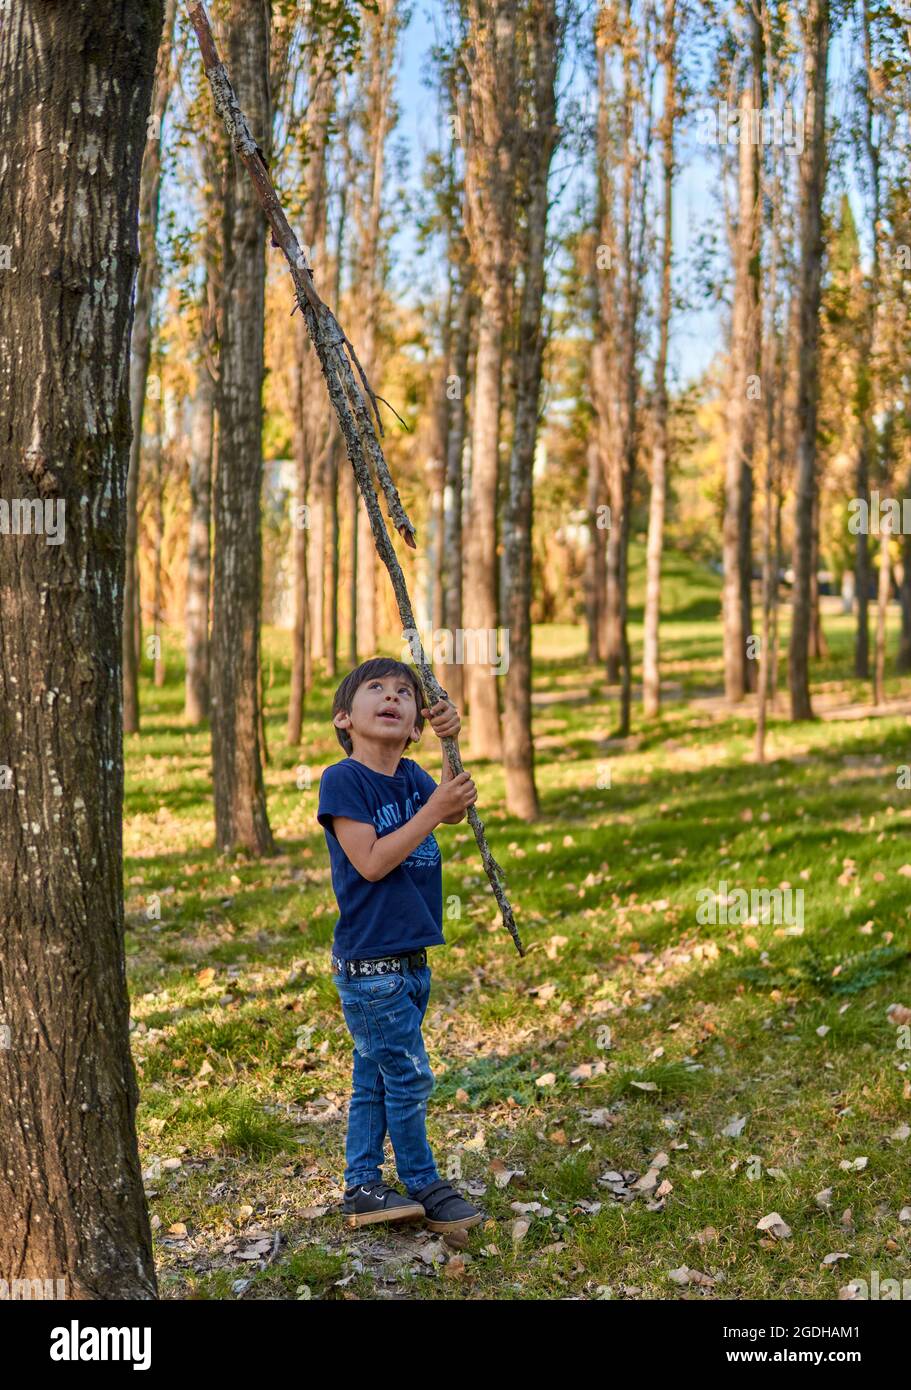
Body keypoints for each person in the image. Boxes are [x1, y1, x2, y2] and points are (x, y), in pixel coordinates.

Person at [317, 656, 484, 1232]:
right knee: (409, 1075)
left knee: (376, 1076)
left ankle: (362, 1186)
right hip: (370, 967)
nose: (392, 697)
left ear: (415, 722)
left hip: (411, 962)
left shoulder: (413, 776)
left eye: (404, 693)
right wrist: (433, 812)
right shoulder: (343, 780)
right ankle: (425, 1183)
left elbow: (455, 808)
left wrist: (448, 744)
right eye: (376, 689)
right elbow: (369, 862)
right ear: (346, 717)